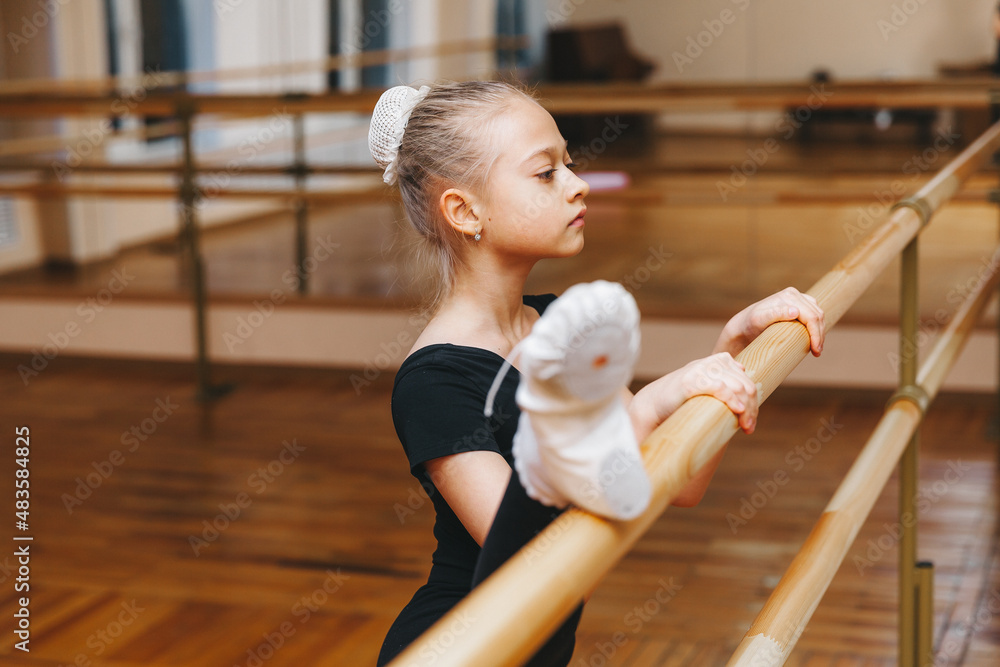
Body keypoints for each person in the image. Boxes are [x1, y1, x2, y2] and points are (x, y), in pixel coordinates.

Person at [370, 81, 825, 666]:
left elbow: (678, 482)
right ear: (464, 210)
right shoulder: (435, 382)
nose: (578, 184)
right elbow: (538, 557)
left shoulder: (556, 321)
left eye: (570, 163)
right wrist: (655, 402)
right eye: (545, 174)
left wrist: (733, 350)